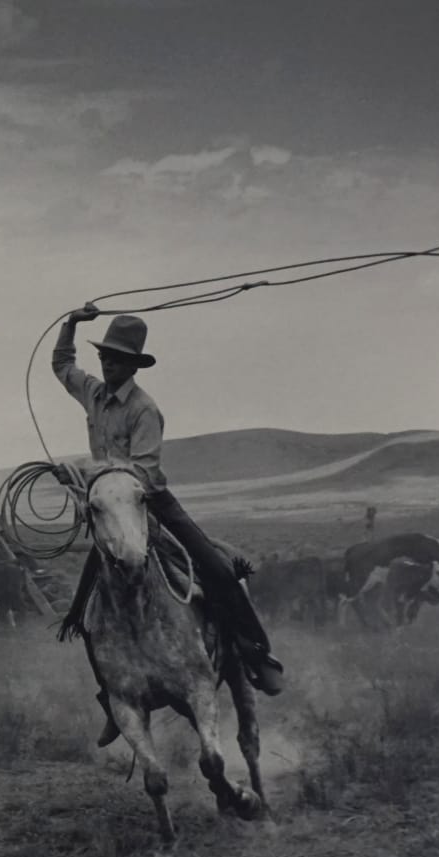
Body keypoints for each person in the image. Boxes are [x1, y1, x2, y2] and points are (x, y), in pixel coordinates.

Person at [54, 306, 284, 746]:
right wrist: (71, 324)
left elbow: (141, 472)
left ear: (134, 364)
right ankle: (111, 695)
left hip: (151, 501)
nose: (108, 363)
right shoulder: (93, 394)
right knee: (86, 610)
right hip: (110, 506)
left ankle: (256, 654)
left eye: (118, 358)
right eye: (105, 355)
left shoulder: (144, 410)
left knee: (217, 570)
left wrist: (85, 473)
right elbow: (62, 365)